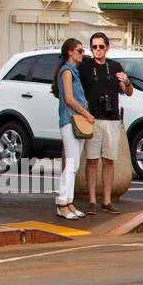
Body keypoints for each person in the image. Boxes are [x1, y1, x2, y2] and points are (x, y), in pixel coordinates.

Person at [80, 32, 133, 214]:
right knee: (92, 160)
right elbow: (76, 89)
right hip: (92, 119)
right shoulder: (85, 67)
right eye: (94, 47)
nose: (98, 50)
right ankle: (92, 201)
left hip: (111, 119)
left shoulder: (115, 66)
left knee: (109, 160)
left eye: (101, 46)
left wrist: (126, 81)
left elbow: (128, 92)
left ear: (107, 47)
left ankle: (107, 200)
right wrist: (82, 104)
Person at [50, 37, 92, 220]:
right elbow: (68, 98)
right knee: (71, 164)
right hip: (70, 120)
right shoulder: (66, 72)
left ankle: (69, 202)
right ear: (70, 52)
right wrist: (86, 113)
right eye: (79, 50)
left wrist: (83, 103)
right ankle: (62, 204)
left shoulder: (73, 71)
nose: (82, 53)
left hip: (75, 119)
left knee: (74, 165)